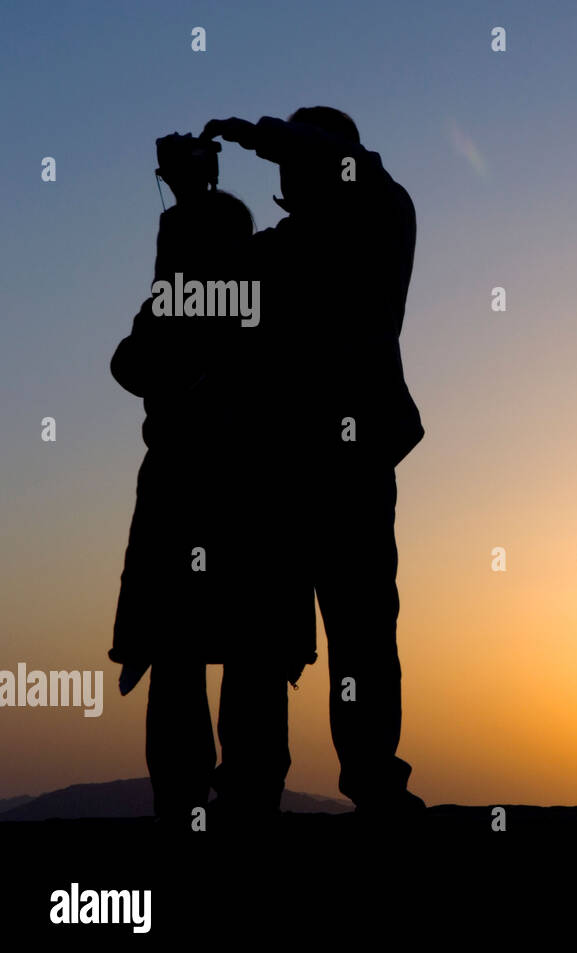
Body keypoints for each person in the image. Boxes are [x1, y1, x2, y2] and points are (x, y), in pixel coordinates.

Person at [201, 107, 426, 814]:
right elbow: (196, 305)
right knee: (261, 635)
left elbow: (354, 170)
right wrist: (193, 204)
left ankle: (370, 777)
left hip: (349, 465)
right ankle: (250, 783)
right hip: (273, 471)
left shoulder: (381, 219)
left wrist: (259, 132)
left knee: (359, 628)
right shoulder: (269, 254)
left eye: (307, 158)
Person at [110, 171, 316, 826]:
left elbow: (132, 362)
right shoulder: (238, 297)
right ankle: (223, 798)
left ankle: (210, 798)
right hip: (236, 500)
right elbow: (133, 362)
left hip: (229, 498)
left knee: (202, 654)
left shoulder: (244, 297)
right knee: (208, 654)